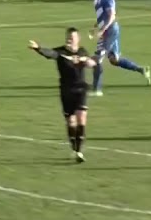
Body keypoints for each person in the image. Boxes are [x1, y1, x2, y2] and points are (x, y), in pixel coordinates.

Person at [30, 27, 100, 163]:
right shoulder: (60, 52)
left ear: (78, 39)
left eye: (72, 38)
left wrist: (88, 62)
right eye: (68, 37)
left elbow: (90, 62)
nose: (70, 40)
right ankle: (74, 147)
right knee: (71, 122)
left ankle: (79, 152)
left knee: (81, 117)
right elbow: (50, 53)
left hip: (81, 89)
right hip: (66, 91)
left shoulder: (82, 51)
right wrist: (38, 48)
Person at [90, 0, 151, 96]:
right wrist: (95, 26)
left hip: (110, 30)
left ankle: (96, 90)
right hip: (108, 30)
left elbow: (112, 16)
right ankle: (141, 69)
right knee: (114, 60)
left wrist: (102, 30)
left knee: (98, 58)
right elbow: (102, 16)